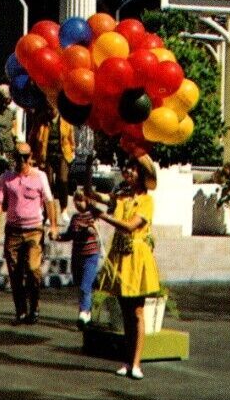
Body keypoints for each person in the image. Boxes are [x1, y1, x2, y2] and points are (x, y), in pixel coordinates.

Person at [91, 155, 160, 380]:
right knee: (125, 312)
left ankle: (136, 362)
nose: (128, 172)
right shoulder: (122, 196)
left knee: (137, 311)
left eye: (132, 168)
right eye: (126, 168)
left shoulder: (146, 201)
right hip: (120, 254)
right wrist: (86, 185)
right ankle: (127, 360)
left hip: (136, 256)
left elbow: (131, 226)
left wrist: (102, 216)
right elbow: (102, 197)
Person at [0, 141, 59, 324]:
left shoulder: (40, 176)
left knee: (33, 269)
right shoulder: (6, 177)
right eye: (17, 157)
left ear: (30, 158)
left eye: (25, 157)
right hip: (13, 231)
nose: (21, 160)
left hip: (34, 230)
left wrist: (53, 226)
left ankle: (34, 307)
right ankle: (20, 311)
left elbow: (49, 201)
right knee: (15, 272)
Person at [59, 187, 104, 325]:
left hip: (90, 256)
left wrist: (90, 229)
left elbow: (95, 229)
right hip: (77, 256)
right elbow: (69, 235)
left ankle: (84, 314)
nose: (78, 203)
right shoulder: (75, 217)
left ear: (88, 201)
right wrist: (58, 236)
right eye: (75, 201)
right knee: (82, 285)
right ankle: (86, 312)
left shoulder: (93, 215)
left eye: (81, 200)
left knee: (85, 286)